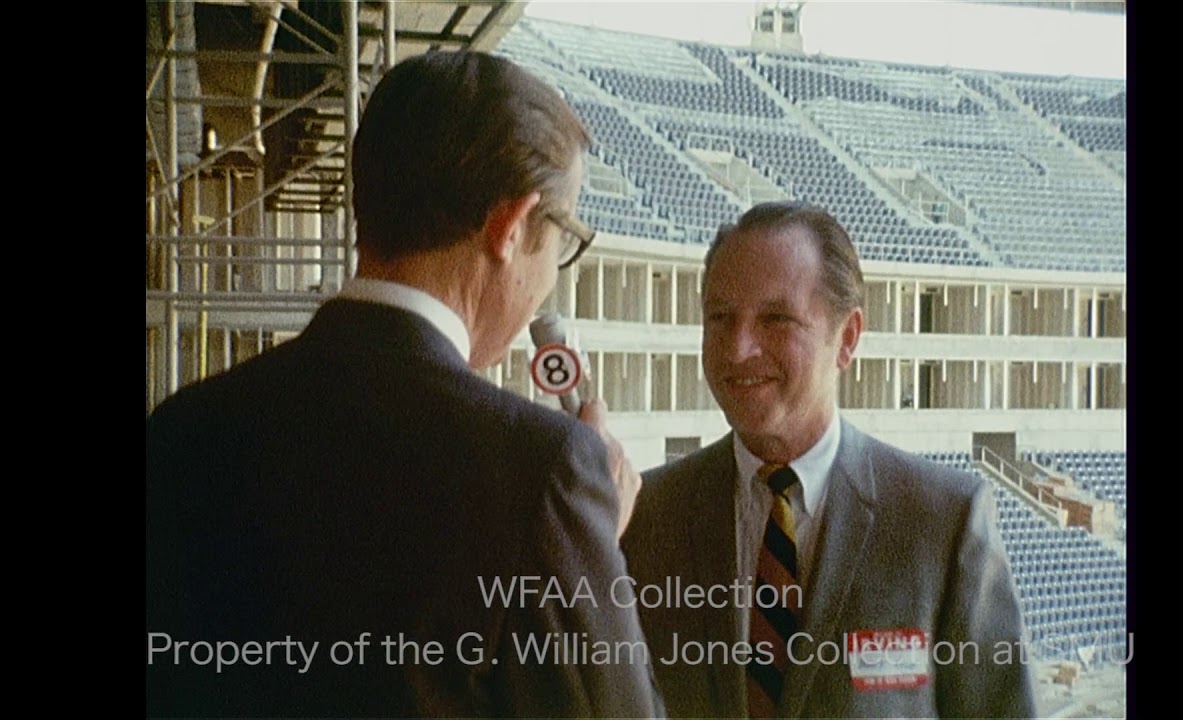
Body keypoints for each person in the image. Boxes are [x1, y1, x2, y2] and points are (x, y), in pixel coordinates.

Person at [147, 51, 661, 718]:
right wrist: (593, 551)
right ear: (510, 226)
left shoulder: (182, 425)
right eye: (561, 240)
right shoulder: (543, 472)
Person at [621, 201, 1036, 718]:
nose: (738, 348)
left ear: (848, 338)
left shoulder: (943, 520)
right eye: (720, 318)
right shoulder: (644, 518)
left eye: (776, 319)